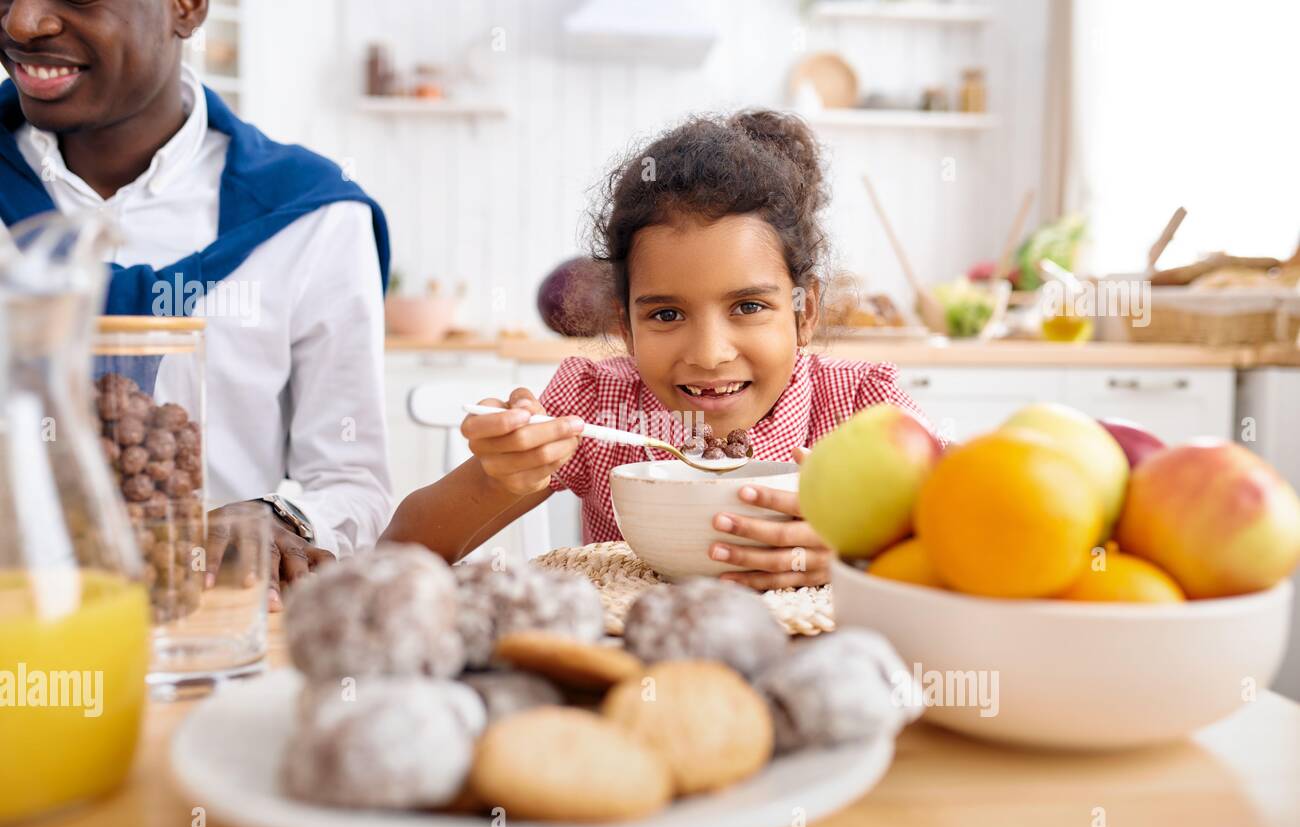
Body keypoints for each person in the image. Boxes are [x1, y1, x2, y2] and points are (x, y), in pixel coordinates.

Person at [385, 110, 933, 589]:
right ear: (625, 327)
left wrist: (856, 551)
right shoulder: (595, 406)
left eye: (747, 307)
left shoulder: (859, 407)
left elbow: (974, 526)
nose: (711, 353)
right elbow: (400, 551)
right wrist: (497, 478)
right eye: (667, 315)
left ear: (804, 312)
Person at [0, 0, 393, 607]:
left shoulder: (313, 217)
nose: (23, 23)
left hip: (211, 629)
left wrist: (280, 517)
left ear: (186, 7)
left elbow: (350, 481)